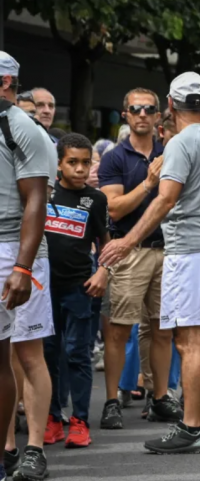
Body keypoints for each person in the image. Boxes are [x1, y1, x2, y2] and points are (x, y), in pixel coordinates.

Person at [100, 71, 200, 454]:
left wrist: (127, 240)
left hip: (188, 250)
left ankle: (191, 428)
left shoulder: (179, 144)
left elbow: (165, 199)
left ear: (171, 105)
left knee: (188, 341)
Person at [96, 88, 181, 430]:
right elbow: (114, 208)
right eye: (135, 109)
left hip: (167, 250)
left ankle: (159, 397)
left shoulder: (171, 152)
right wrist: (148, 184)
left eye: (149, 109)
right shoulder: (114, 157)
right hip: (129, 252)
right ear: (125, 114)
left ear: (159, 116)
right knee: (119, 330)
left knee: (161, 329)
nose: (142, 114)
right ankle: (112, 401)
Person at [0, 52, 53, 481]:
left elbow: (36, 199)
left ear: (5, 83)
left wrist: (21, 264)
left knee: (26, 352)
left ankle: (33, 447)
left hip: (16, 252)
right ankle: (6, 449)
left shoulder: (22, 128)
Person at [43, 133, 109, 450]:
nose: (80, 169)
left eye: (86, 162)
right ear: (59, 164)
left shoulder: (96, 199)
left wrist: (103, 271)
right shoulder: (45, 193)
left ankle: (80, 421)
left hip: (80, 287)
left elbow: (105, 242)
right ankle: (52, 418)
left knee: (78, 354)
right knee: (47, 353)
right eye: (73, 162)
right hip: (44, 288)